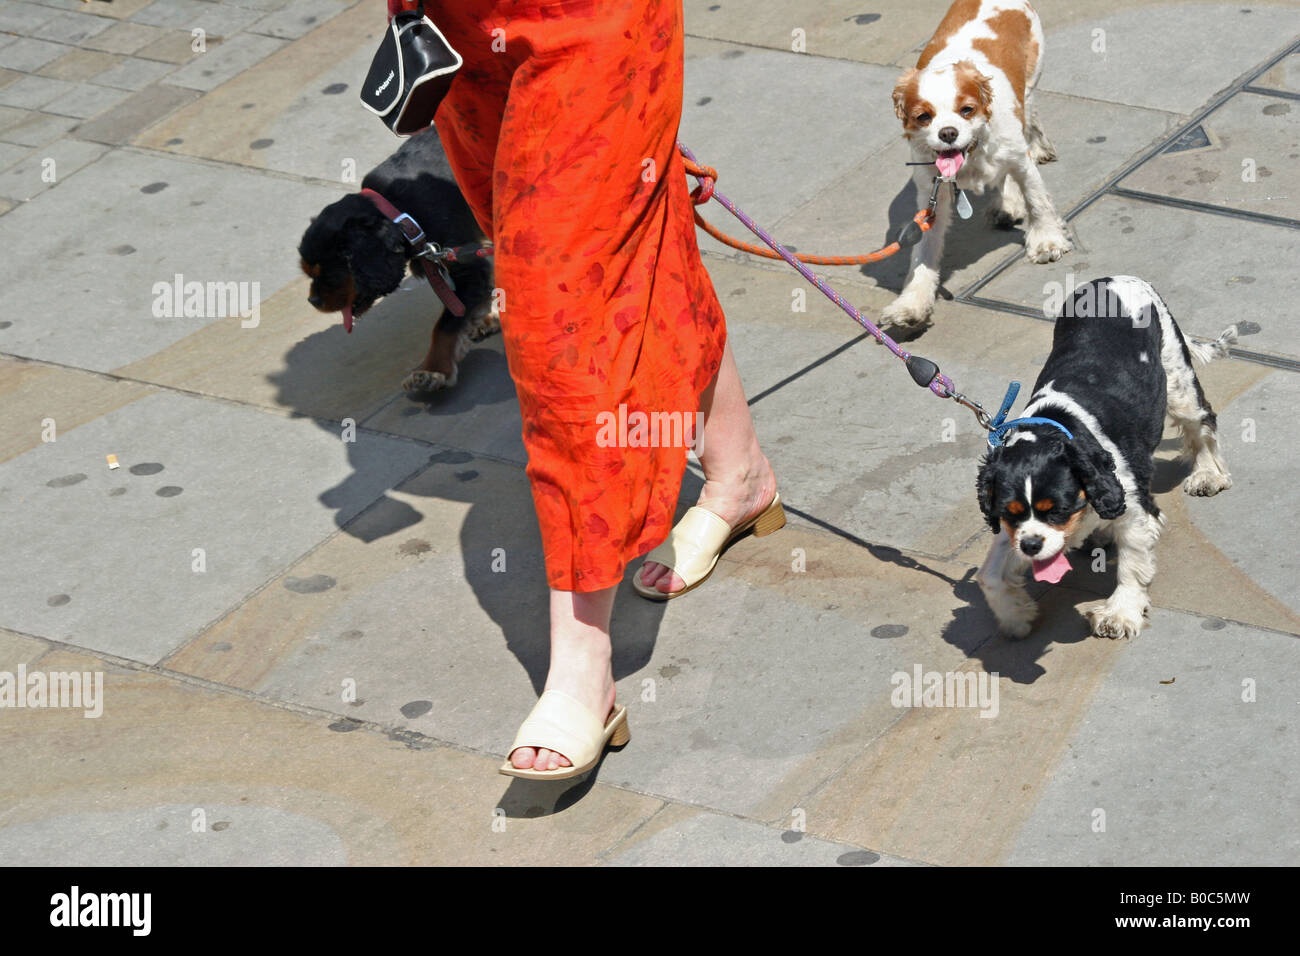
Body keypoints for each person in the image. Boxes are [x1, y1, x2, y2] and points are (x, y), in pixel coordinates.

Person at [418, 0, 783, 778]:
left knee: (555, 312)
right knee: (635, 241)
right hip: (449, 19)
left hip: (590, 19)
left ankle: (583, 669)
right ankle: (739, 466)